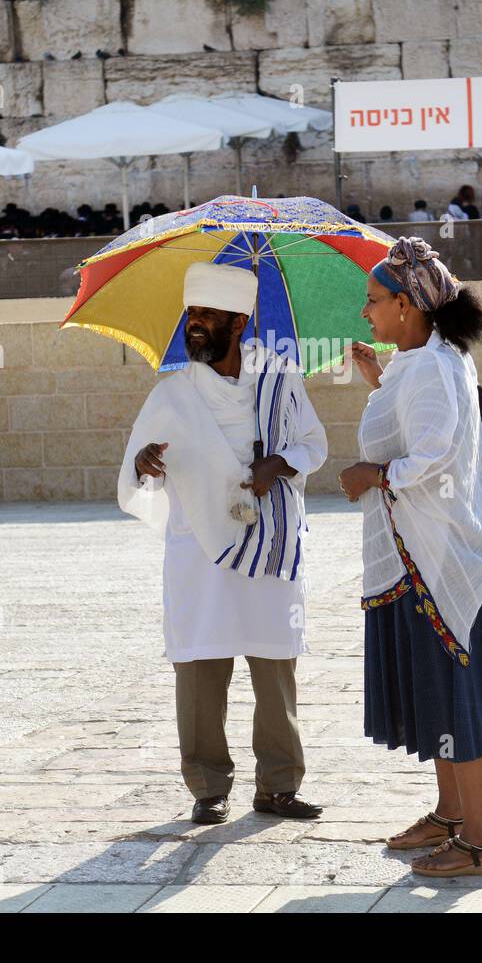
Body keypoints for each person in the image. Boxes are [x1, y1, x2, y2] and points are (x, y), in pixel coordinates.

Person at [339, 237, 482, 877]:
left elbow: (433, 456)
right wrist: (379, 380)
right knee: (443, 695)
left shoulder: (433, 367)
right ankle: (452, 815)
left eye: (374, 301)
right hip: (430, 554)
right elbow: (423, 423)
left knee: (457, 693)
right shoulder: (427, 360)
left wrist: (373, 474)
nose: (367, 313)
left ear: (406, 307)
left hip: (441, 563)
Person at [118, 262, 328, 825]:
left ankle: (278, 787)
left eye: (208, 316)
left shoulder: (281, 379)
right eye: (191, 315)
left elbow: (315, 444)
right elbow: (137, 474)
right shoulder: (172, 395)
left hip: (271, 545)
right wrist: (144, 466)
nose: (195, 325)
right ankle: (208, 788)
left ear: (240, 322)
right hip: (200, 554)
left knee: (275, 668)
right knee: (200, 671)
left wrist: (279, 464)